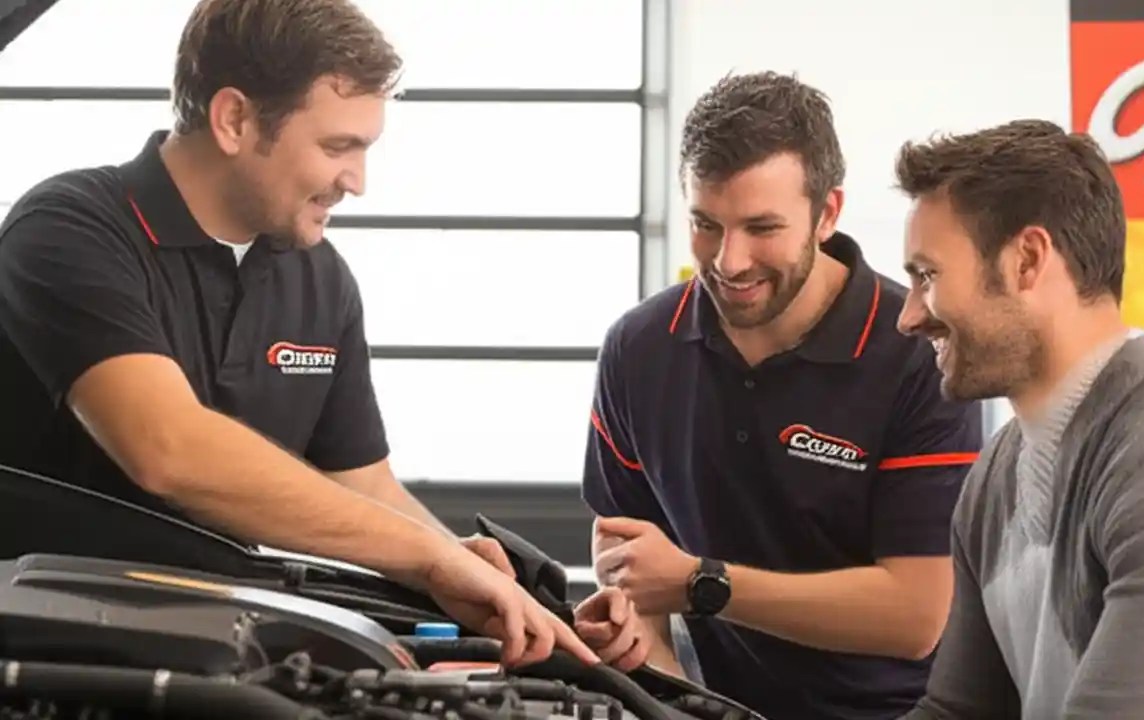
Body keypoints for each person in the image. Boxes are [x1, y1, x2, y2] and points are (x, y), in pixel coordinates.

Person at [0, 0, 598, 670]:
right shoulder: (67, 231)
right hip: (58, 660)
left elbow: (364, 487)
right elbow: (167, 448)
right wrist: (427, 557)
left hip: (227, 657)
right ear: (234, 120)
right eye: (337, 146)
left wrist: (470, 574)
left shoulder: (320, 279)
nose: (358, 182)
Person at [573, 71, 985, 720]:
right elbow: (628, 560)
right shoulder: (639, 347)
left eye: (762, 228)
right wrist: (660, 675)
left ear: (827, 214)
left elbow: (915, 615)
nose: (729, 261)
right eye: (706, 224)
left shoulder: (919, 351)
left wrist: (700, 584)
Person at [893, 119, 1144, 719]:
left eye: (928, 276)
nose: (910, 315)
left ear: (1027, 260)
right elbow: (959, 713)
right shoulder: (998, 473)